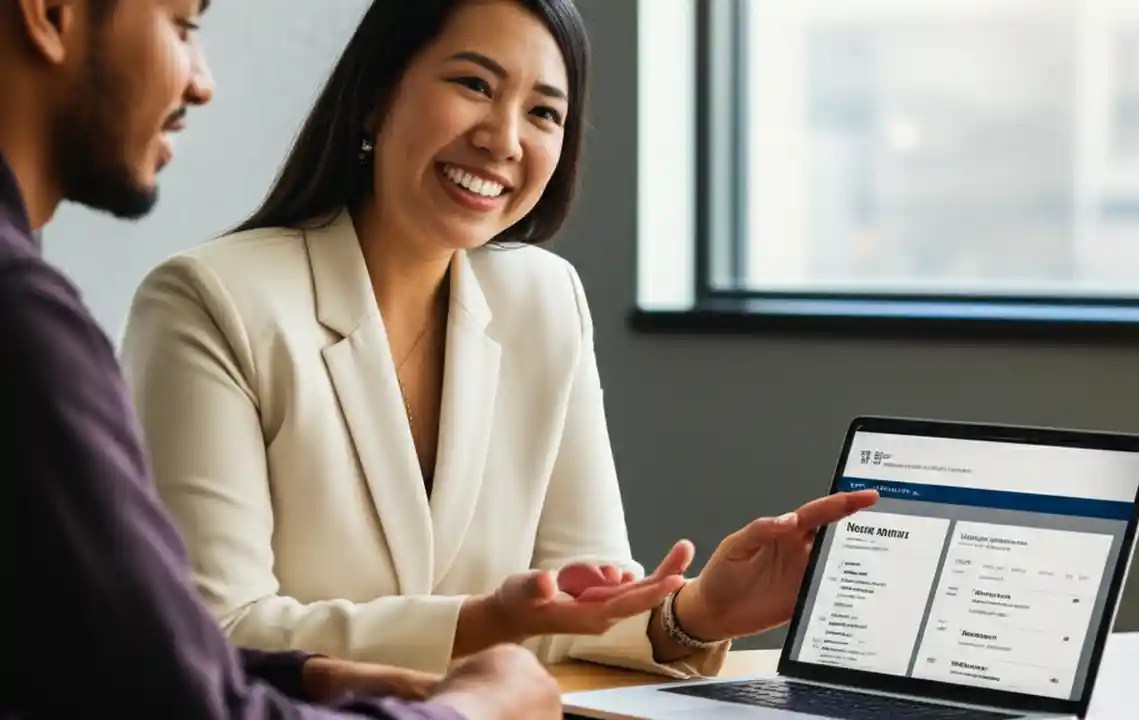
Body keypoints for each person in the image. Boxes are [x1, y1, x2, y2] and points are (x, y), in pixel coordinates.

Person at [119, 0, 882, 679]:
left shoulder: (543, 298)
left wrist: (695, 611)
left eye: (544, 112)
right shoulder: (211, 300)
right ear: (377, 96)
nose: (503, 139)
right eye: (474, 85)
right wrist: (489, 621)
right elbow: (216, 631)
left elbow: (581, 598)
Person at [0, 1, 560, 718]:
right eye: (182, 25)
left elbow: (98, 651)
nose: (201, 82)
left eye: (545, 112)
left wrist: (310, 675)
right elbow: (186, 704)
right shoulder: (26, 319)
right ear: (51, 13)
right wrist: (469, 713)